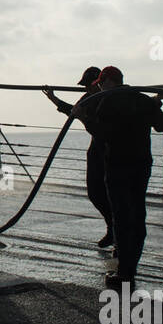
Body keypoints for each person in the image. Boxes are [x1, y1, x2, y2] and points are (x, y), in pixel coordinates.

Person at [66, 66, 163, 289]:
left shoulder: (108, 102)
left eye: (101, 82)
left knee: (122, 217)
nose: (99, 86)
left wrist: (83, 117)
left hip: (118, 166)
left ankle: (125, 274)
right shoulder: (143, 100)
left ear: (107, 81)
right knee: (137, 215)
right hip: (142, 165)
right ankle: (130, 267)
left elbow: (104, 133)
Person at [43, 66, 114, 248]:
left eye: (89, 85)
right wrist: (54, 99)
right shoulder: (88, 98)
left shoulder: (110, 99)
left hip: (112, 151)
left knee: (114, 195)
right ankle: (112, 228)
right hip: (96, 150)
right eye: (85, 86)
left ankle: (119, 238)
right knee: (95, 193)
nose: (86, 89)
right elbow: (73, 111)